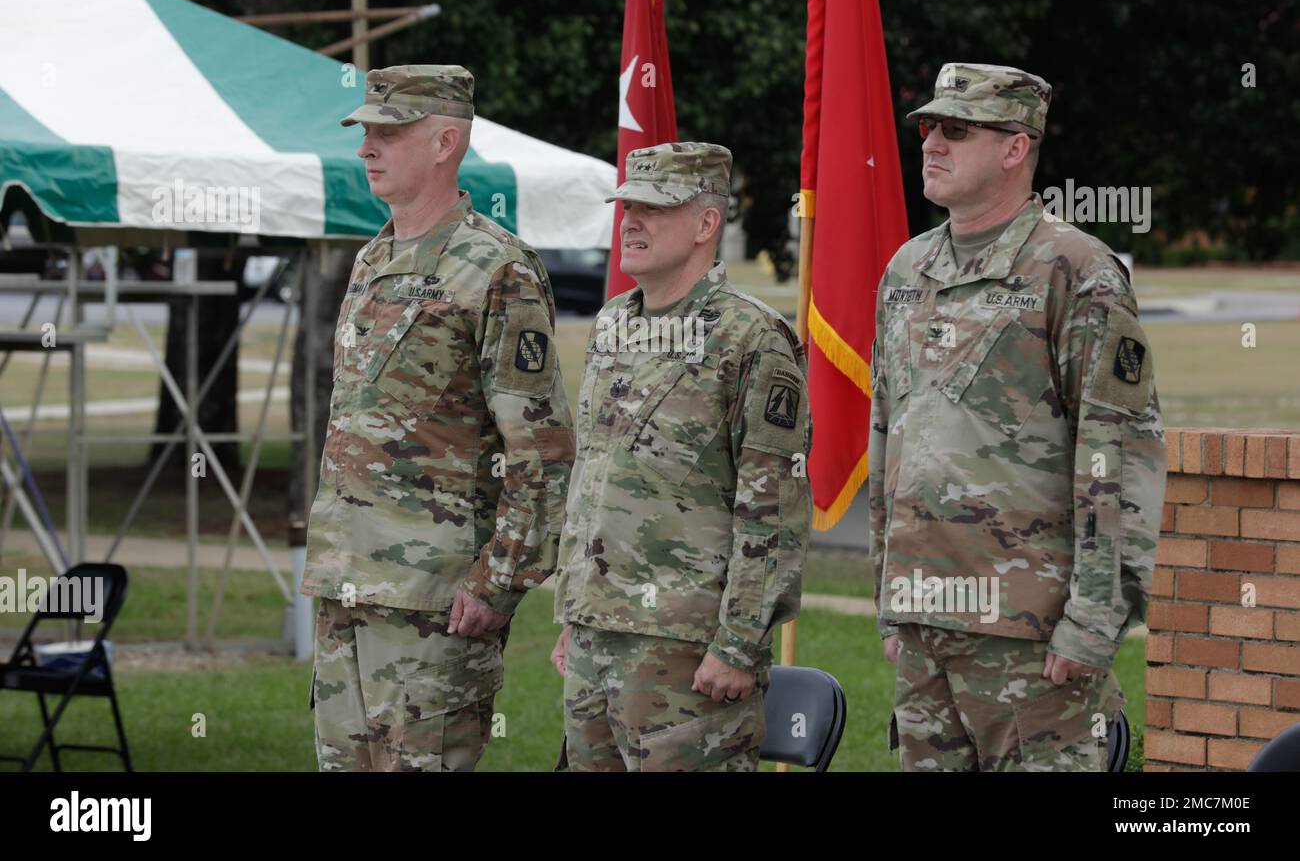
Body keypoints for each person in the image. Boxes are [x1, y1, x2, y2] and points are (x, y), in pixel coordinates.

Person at [869, 63, 1166, 771]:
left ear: (1014, 147)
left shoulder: (1075, 270)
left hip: (1031, 630)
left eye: (957, 130)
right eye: (929, 129)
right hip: (922, 618)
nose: (932, 144)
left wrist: (1094, 622)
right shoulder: (906, 271)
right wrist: (889, 594)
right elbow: (889, 433)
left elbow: (1118, 453)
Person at [301, 64, 575, 771]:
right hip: (348, 584)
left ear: (445, 141)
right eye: (366, 134)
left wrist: (502, 579)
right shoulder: (370, 260)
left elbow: (541, 448)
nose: (367, 149)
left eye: (388, 133)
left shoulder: (496, 267)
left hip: (435, 598)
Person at [549, 142, 812, 771]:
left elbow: (770, 510)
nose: (631, 221)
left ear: (705, 224)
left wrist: (740, 643)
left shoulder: (751, 339)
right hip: (596, 638)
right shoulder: (614, 322)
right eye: (627, 206)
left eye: (653, 208)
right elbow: (596, 480)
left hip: (687, 652)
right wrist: (578, 611)